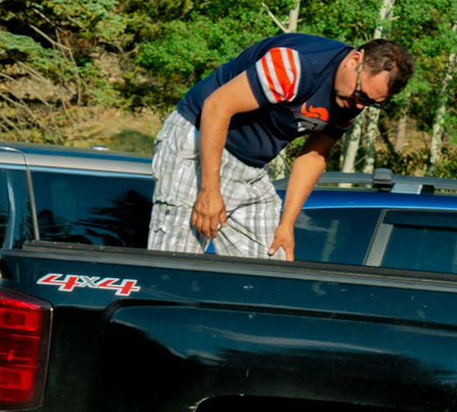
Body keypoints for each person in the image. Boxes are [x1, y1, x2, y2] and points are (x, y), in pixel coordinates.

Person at [148, 34, 413, 260]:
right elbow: (217, 107)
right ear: (355, 60)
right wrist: (209, 190)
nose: (359, 105)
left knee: (271, 263)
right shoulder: (296, 66)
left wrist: (287, 224)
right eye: (361, 95)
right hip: (197, 144)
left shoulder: (349, 100)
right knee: (177, 263)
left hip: (250, 168)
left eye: (372, 103)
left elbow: (313, 156)